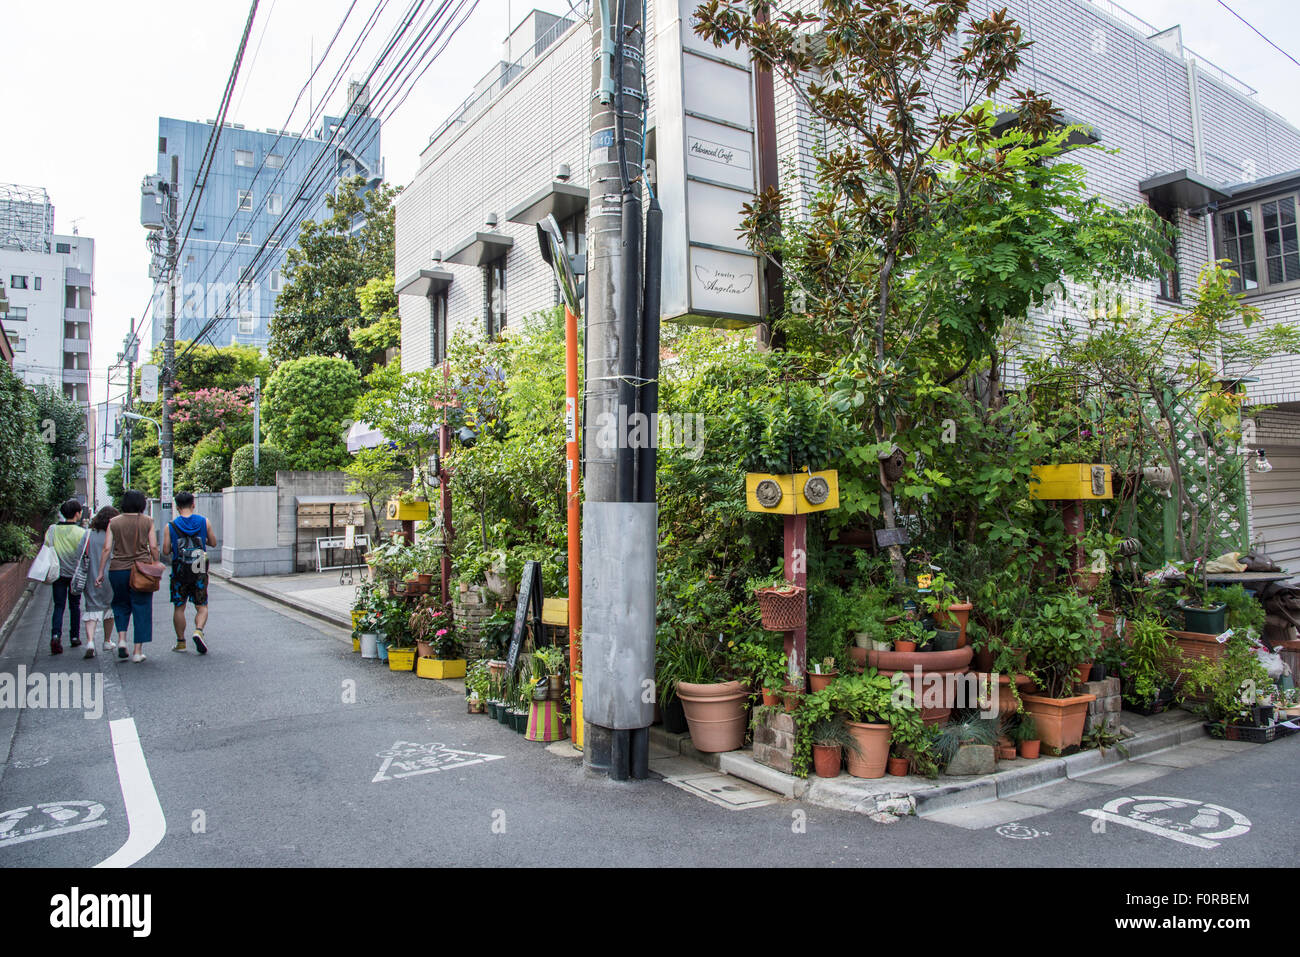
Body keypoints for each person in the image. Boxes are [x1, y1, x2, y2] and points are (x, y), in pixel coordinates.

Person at [95, 490, 159, 663]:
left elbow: (107, 549)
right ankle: (137, 652)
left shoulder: (113, 522)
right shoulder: (147, 521)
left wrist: (100, 571)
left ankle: (122, 639)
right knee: (142, 607)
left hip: (118, 570)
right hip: (141, 571)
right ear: (141, 504)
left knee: (120, 605)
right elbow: (153, 546)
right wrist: (156, 562)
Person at [162, 490, 217, 655]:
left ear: (177, 507)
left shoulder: (170, 526)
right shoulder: (203, 522)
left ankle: (180, 642)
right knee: (202, 605)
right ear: (193, 504)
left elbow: (165, 551)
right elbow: (213, 542)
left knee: (179, 607)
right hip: (199, 565)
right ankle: (198, 630)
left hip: (180, 568)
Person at [44, 499, 89, 656]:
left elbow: (47, 547)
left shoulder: (52, 530)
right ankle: (75, 636)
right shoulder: (82, 533)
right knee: (75, 605)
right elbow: (85, 554)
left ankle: (55, 635)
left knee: (58, 606)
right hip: (75, 574)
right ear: (77, 514)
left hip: (58, 574)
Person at [79, 506, 120, 659]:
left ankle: (90, 642)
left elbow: (80, 553)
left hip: (92, 574)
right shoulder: (115, 535)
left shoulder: (88, 534)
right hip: (112, 574)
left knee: (91, 607)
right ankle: (107, 641)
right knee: (109, 607)